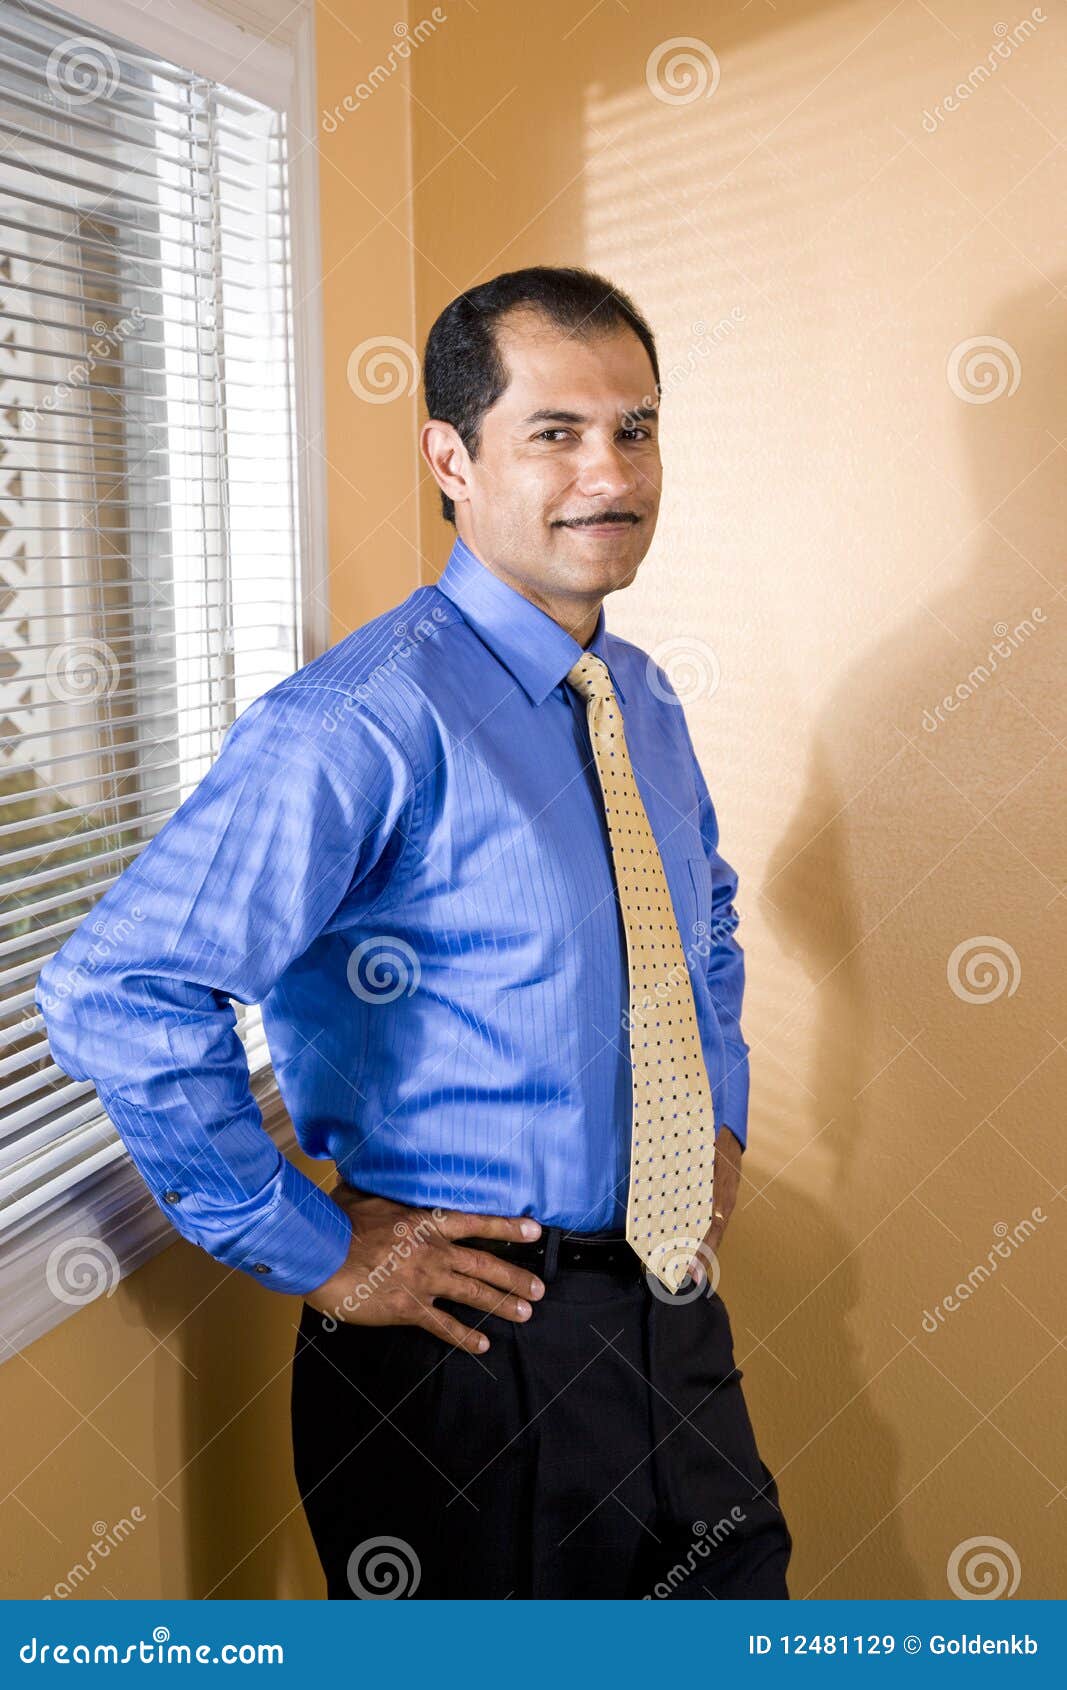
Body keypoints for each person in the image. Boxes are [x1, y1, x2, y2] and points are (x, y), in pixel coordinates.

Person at [36, 265, 793, 1600]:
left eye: (636, 427)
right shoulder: (357, 723)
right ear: (452, 454)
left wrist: (714, 1117)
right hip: (467, 1361)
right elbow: (119, 985)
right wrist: (318, 1252)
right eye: (554, 433)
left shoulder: (638, 695)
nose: (609, 473)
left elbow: (707, 916)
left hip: (674, 1322)